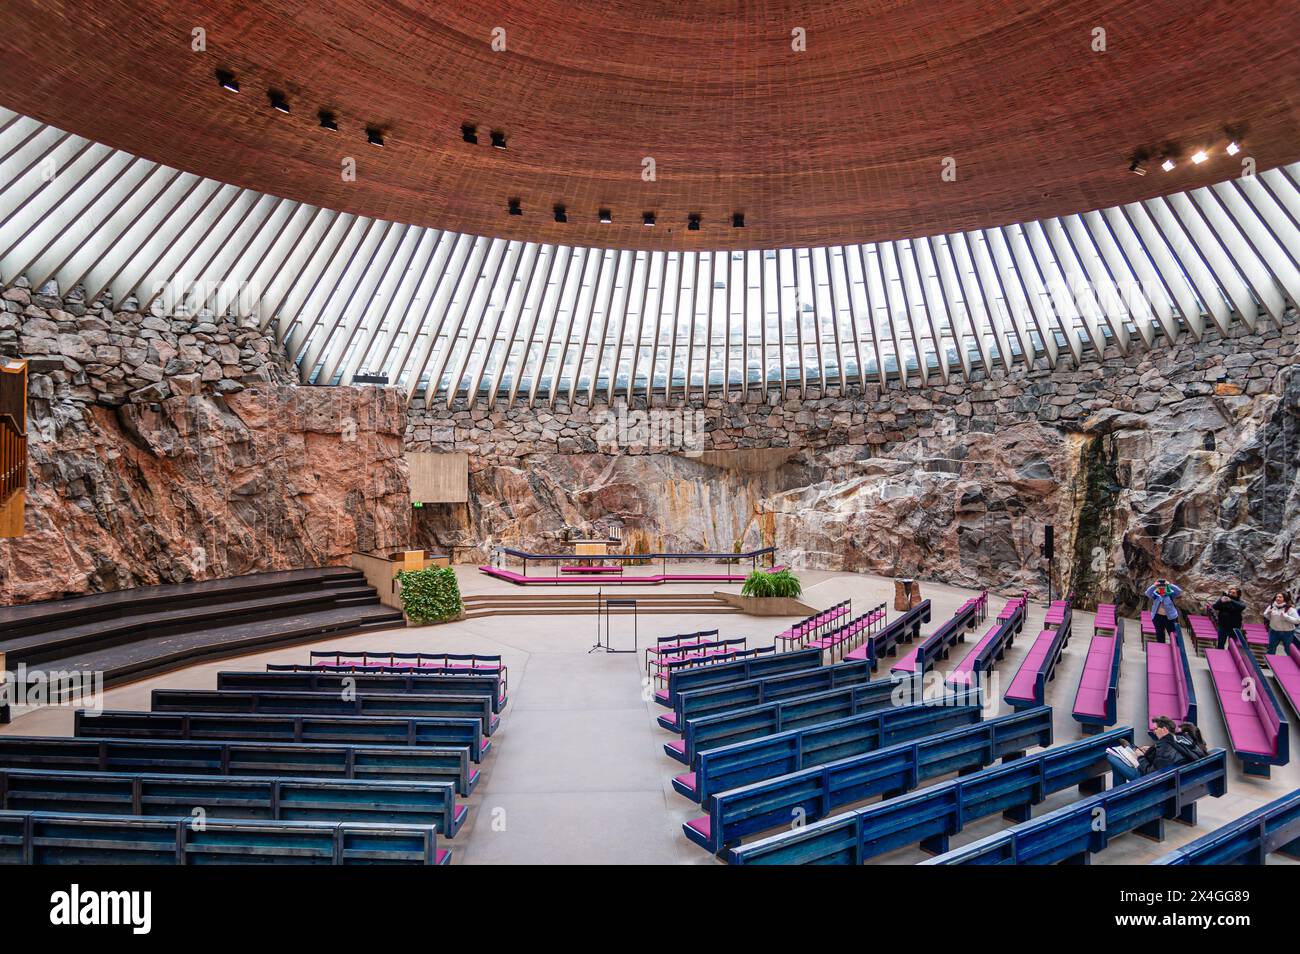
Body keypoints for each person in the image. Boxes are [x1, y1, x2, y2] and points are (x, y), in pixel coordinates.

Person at [1105, 716, 1198, 783]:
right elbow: (1166, 758)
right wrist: (1151, 750)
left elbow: (1149, 773)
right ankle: (1119, 792)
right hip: (1171, 779)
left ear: (1164, 730)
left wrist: (1141, 757)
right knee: (1118, 760)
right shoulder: (1177, 741)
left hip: (1147, 782)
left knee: (1111, 757)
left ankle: (1118, 793)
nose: (1154, 731)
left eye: (1156, 729)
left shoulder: (1165, 749)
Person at [1144, 578, 1184, 644]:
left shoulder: (1170, 594)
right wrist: (1154, 585)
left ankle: (1176, 648)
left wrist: (1170, 585)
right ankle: (1161, 648)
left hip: (1170, 618)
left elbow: (1179, 591)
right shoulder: (1155, 595)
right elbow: (1147, 593)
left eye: (1163, 587)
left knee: (1173, 635)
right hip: (1157, 617)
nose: (1162, 588)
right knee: (1159, 635)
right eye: (1160, 587)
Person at [1263, 592, 1299, 656]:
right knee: (1271, 648)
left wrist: (1286, 617)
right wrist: (1268, 613)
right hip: (1274, 631)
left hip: (1287, 633)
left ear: (1284, 599)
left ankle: (1291, 664)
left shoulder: (1290, 609)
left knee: (1288, 649)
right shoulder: (1271, 606)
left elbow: (1297, 621)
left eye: (1280, 597)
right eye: (1277, 597)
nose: (1278, 598)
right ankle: (1269, 663)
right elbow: (1266, 615)